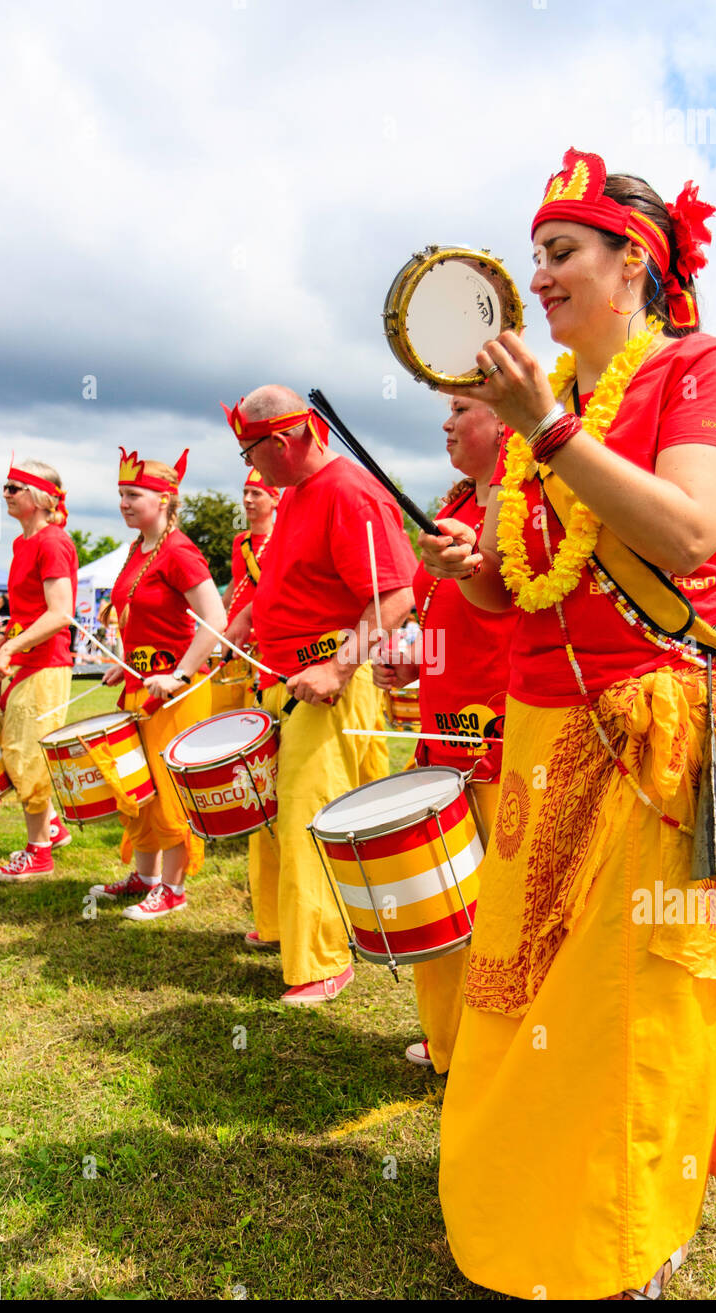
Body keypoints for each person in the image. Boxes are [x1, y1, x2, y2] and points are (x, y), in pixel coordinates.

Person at [420, 148, 716, 1300]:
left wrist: (542, 428)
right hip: (541, 735)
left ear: (633, 262)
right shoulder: (560, 406)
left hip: (654, 736)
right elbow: (530, 590)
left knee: (625, 1005)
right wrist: (475, 571)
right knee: (524, 991)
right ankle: (526, 1214)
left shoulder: (699, 368)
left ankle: (621, 1239)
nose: (537, 276)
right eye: (533, 254)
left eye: (561, 252)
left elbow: (689, 533)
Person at [222, 386, 415, 1004]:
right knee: (277, 811)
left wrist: (336, 669)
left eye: (251, 452)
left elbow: (394, 596)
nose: (251, 469)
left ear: (281, 441)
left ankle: (324, 960)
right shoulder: (301, 494)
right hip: (288, 678)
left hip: (328, 683)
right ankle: (286, 929)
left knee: (309, 811)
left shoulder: (350, 491)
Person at [373, 398, 516, 1071]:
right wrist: (408, 658)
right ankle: (450, 1043)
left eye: (462, 408)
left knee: (500, 911)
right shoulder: (454, 506)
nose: (446, 422)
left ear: (506, 421)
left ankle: (500, 1051)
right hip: (442, 742)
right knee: (447, 904)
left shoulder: (528, 501)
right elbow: (436, 610)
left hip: (504, 744)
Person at [88, 447, 226, 919]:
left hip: (178, 694)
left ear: (165, 499)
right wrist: (125, 664)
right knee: (139, 785)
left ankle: (173, 888)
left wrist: (181, 673)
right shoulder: (137, 549)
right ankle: (145, 877)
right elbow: (142, 621)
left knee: (169, 788)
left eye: (133, 495)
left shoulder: (180, 552)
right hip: (140, 686)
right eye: (121, 495)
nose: (124, 503)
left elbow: (215, 619)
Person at [0, 460, 77, 880]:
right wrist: (0, 643)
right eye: (5, 486)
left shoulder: (53, 542)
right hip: (25, 660)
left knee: (27, 753)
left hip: (45, 663)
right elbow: (29, 613)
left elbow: (61, 615)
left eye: (15, 487)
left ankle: (38, 853)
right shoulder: (24, 545)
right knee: (18, 747)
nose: (6, 494)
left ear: (38, 497)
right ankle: (49, 828)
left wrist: (11, 647)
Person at [213, 468, 279, 713]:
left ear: (274, 500)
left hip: (262, 644)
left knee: (256, 716)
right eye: (245, 493)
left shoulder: (282, 539)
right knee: (223, 716)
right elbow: (235, 586)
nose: (248, 499)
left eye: (256, 493)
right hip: (232, 640)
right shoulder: (240, 541)